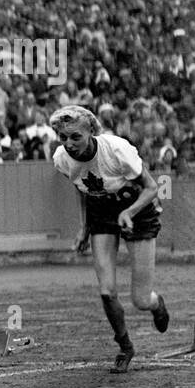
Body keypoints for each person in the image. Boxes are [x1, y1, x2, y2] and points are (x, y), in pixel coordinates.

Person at [51, 105, 169, 373]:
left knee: (140, 299)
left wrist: (128, 212)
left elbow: (152, 188)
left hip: (136, 208)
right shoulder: (61, 158)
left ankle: (156, 303)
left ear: (91, 131)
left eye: (75, 137)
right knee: (106, 292)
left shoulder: (116, 149)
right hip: (101, 212)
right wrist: (84, 227)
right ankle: (125, 346)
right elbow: (82, 187)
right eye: (63, 138)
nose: (69, 144)